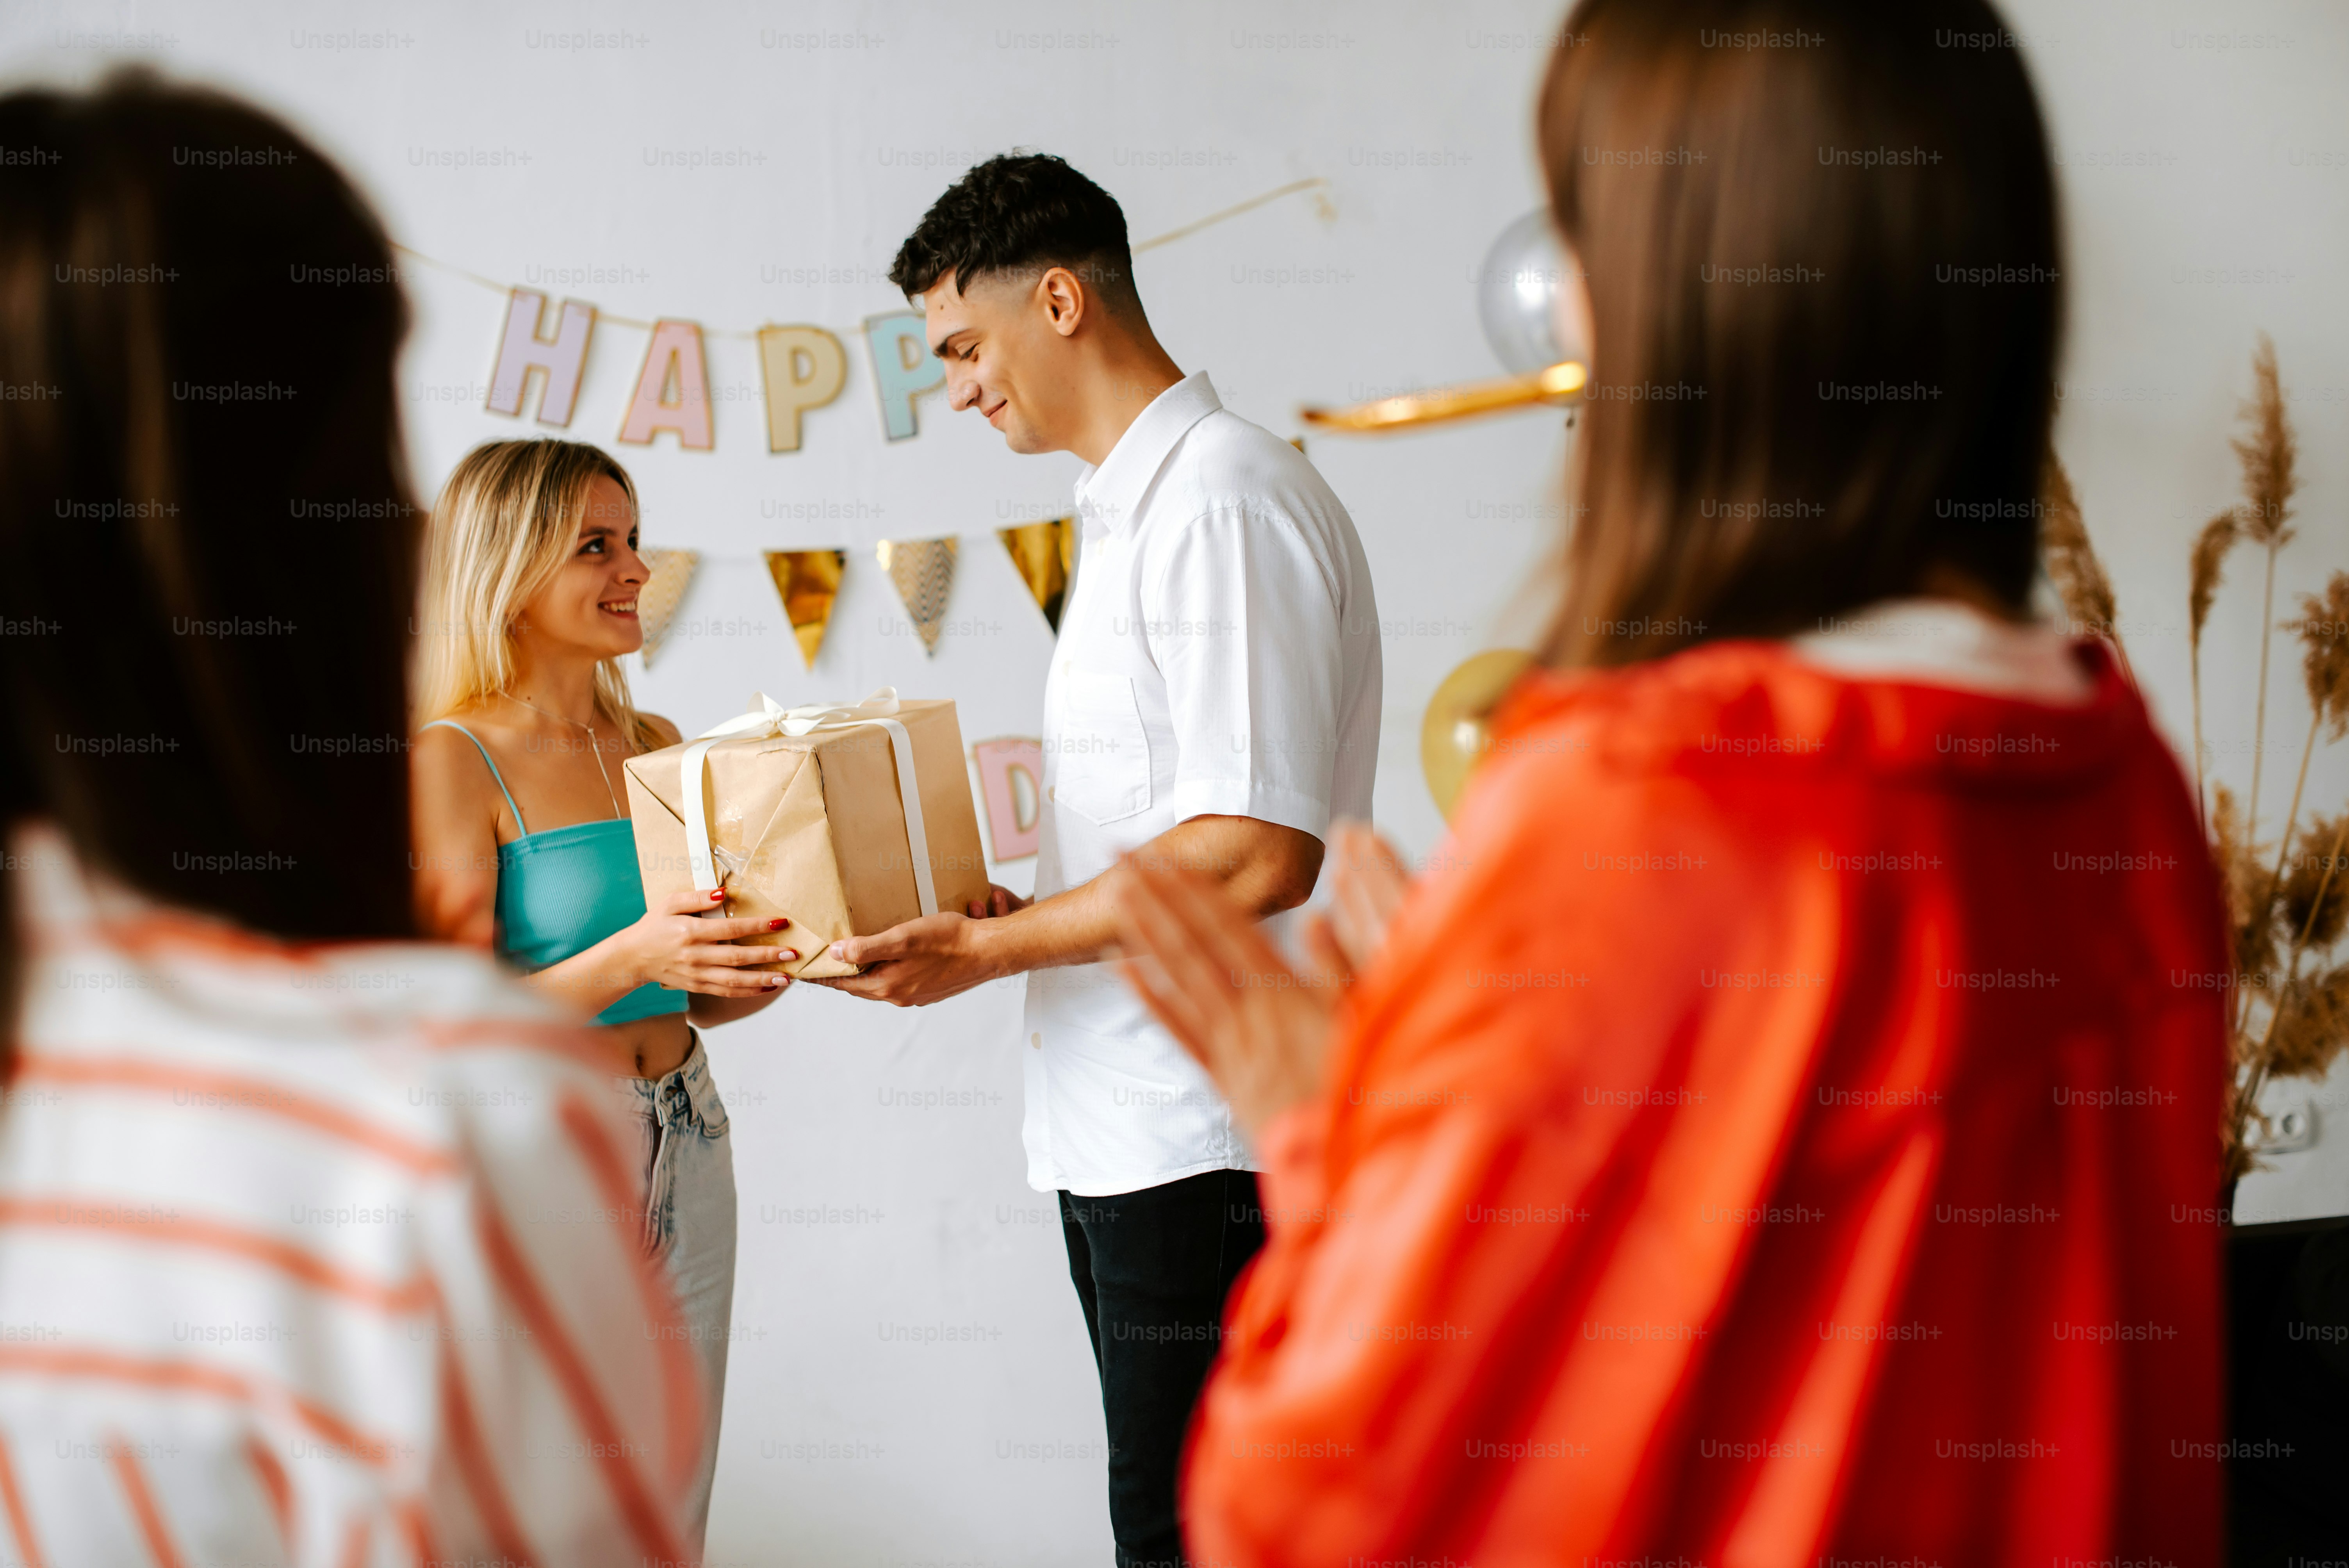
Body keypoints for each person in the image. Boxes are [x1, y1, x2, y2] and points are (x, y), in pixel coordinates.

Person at [1108, 0, 2228, 1563]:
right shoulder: (2127, 787)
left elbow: (1310, 1508)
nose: (1554, 283)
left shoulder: (1638, 801)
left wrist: (1326, 1136)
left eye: (1579, 217)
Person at [0, 74, 700, 1558]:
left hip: (681, 1130)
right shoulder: (421, 1126)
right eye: (370, 456)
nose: (394, 524)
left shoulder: (658, 748)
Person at [833, 153, 1382, 1567]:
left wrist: (990, 952)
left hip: (1204, 1140)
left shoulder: (1220, 500)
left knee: (1192, 1536)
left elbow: (1260, 853)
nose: (957, 388)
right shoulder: (1139, 511)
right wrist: (1018, 916)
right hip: (1130, 1126)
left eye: (963, 346)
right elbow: (1176, 837)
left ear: (1061, 300)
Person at [410, 437, 786, 1543]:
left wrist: (785, 959)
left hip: (692, 1129)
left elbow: (694, 989)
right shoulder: (451, 759)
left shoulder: (659, 746)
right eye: (595, 547)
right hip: (546, 1153)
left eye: (634, 540)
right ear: (510, 573)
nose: (635, 570)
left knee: (668, 1500)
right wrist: (639, 954)